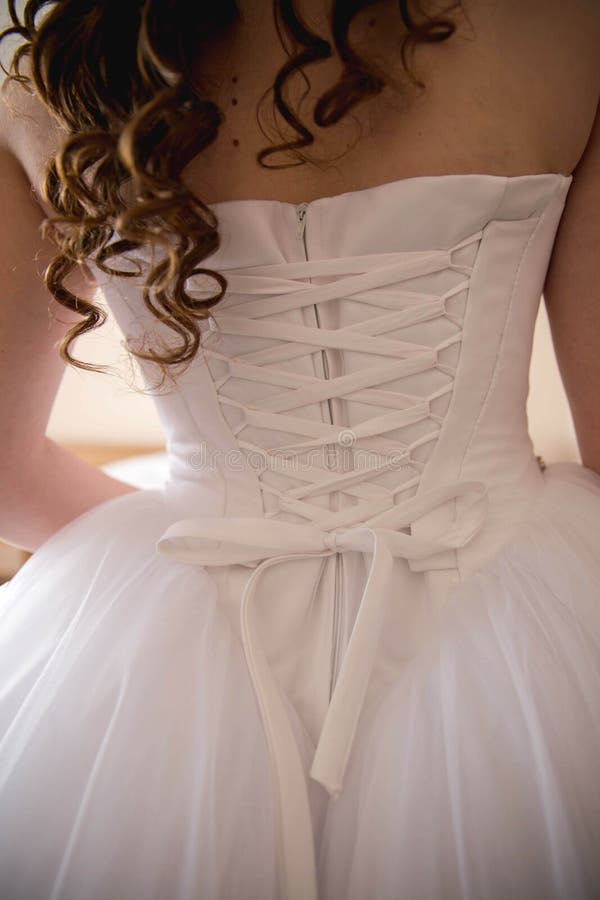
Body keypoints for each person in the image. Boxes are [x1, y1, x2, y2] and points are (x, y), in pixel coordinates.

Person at [0, 1, 599, 898]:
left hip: (171, 651)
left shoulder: (43, 63)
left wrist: (169, 560)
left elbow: (3, 474)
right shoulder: (563, 25)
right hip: (516, 604)